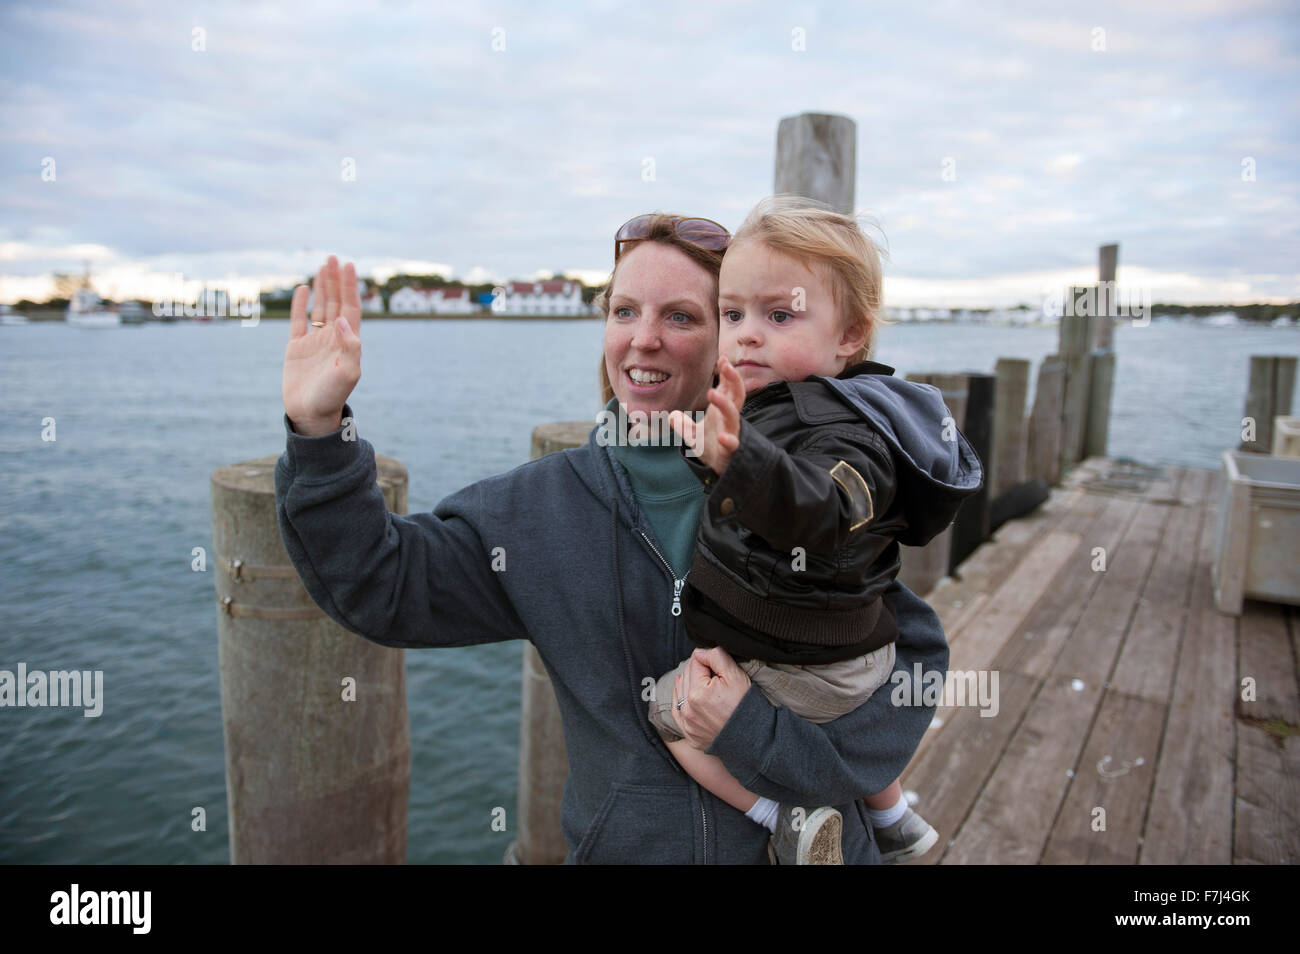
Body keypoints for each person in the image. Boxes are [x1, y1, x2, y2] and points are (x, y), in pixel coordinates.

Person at [273, 212, 949, 864]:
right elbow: (381, 584)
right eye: (624, 311)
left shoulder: (797, 487)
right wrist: (320, 431)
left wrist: (758, 736)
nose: (643, 339)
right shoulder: (539, 511)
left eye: (680, 317)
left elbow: (908, 659)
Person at [645, 198, 982, 864]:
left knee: (665, 711)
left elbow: (824, 509)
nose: (746, 336)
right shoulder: (794, 406)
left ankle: (782, 817)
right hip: (854, 648)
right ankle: (894, 817)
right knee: (852, 730)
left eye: (779, 316)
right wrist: (720, 458)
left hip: (807, 664)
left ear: (849, 336)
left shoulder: (846, 432)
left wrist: (738, 461)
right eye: (732, 314)